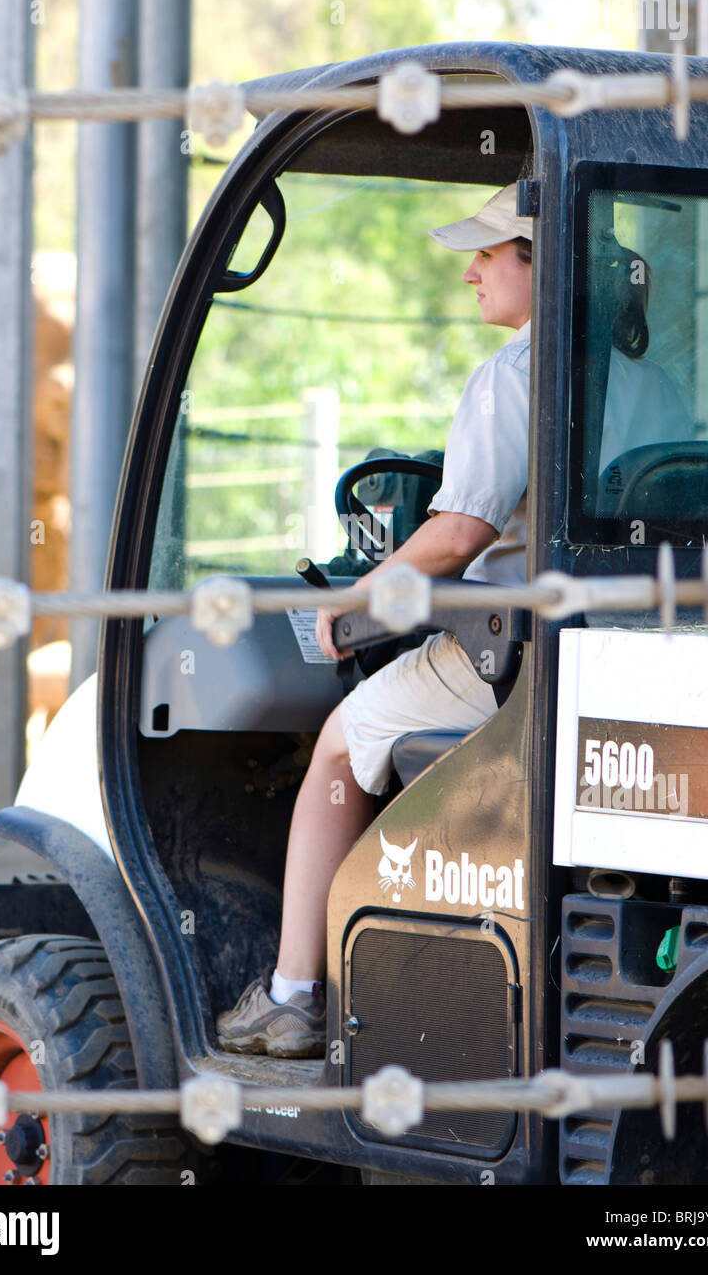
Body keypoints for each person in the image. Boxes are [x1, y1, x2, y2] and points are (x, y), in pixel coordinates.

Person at [217, 182, 534, 1058]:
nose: (471, 272)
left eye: (489, 252)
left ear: (535, 262)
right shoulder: (650, 378)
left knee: (334, 740)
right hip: (592, 645)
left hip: (510, 660)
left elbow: (458, 532)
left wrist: (356, 605)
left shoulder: (516, 375)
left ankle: (291, 996)